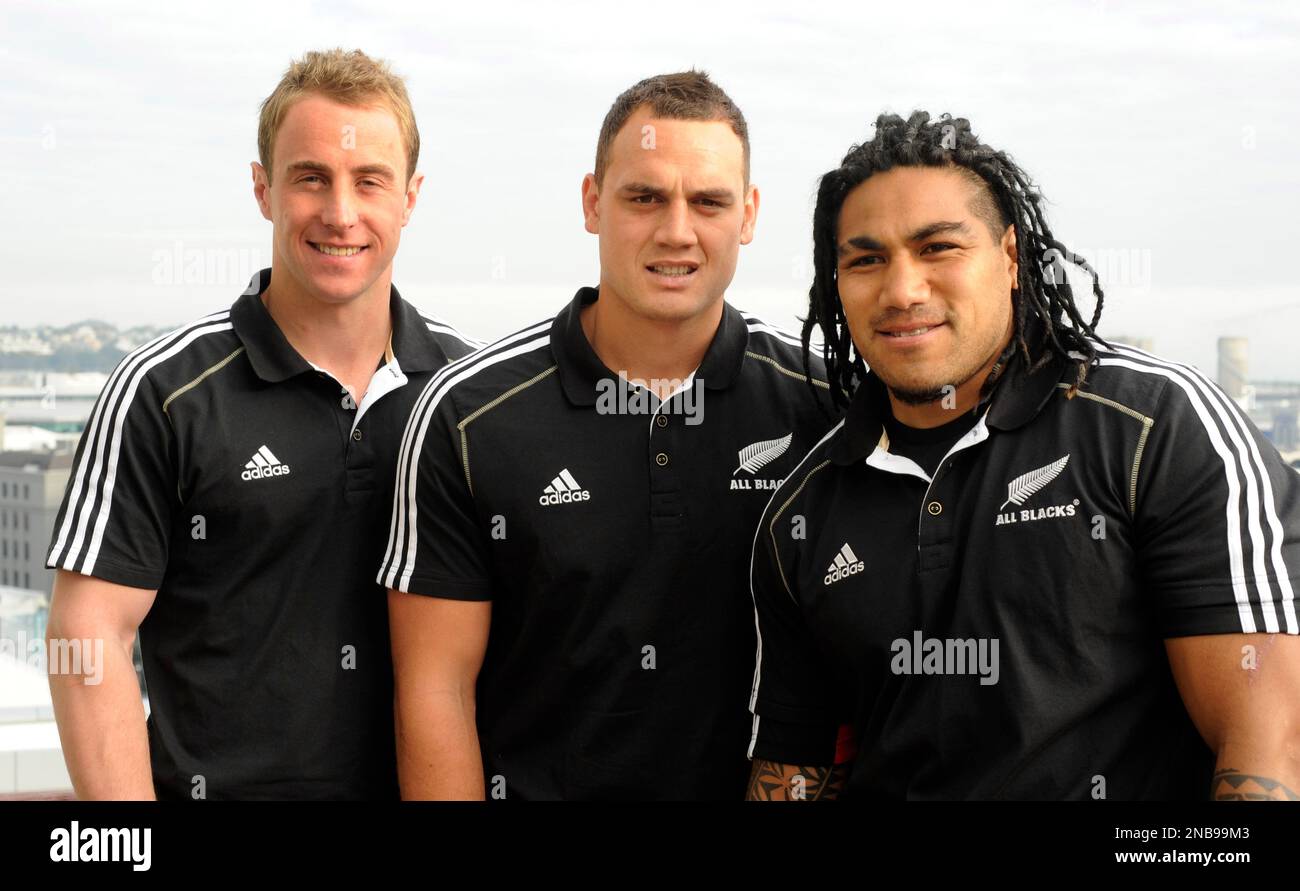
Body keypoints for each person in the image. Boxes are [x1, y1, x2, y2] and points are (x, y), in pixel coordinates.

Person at [746, 111, 1300, 801]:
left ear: (1009, 258)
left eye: (938, 247)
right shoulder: (803, 512)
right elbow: (799, 770)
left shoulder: (1156, 427)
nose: (902, 290)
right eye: (866, 259)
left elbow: (1268, 750)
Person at [381, 71, 834, 800]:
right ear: (593, 202)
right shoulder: (466, 416)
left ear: (748, 214)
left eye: (709, 201)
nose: (676, 230)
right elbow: (436, 689)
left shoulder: (821, 407)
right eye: (645, 196)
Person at [44, 48, 478, 800]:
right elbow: (88, 637)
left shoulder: (467, 394)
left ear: (409, 197)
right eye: (311, 178)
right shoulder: (163, 392)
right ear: (262, 189)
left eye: (368, 181)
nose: (340, 213)